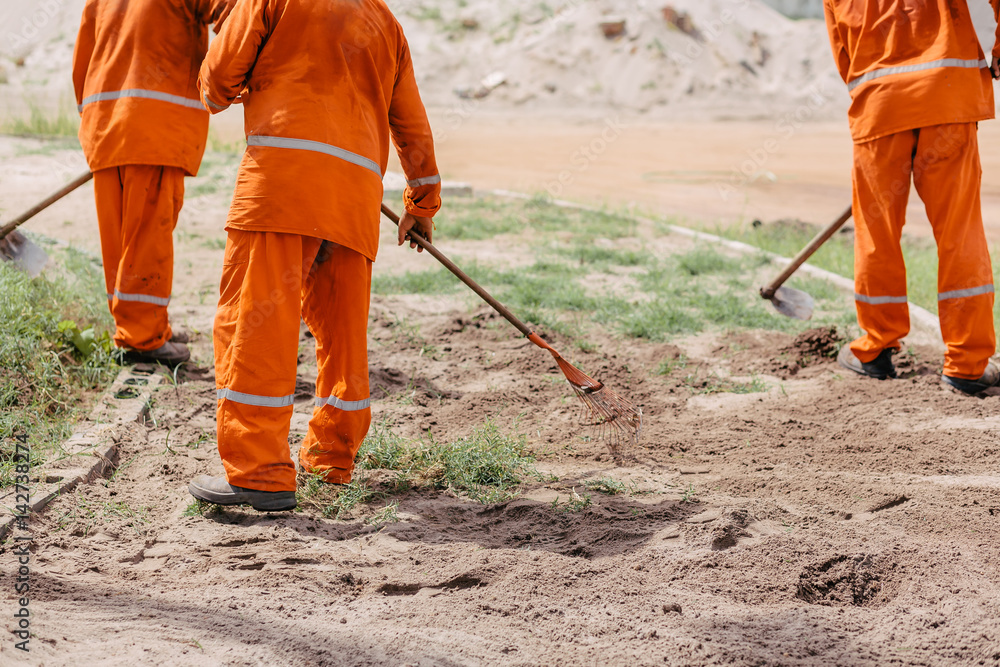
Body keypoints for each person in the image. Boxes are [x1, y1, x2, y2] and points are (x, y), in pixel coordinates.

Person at [187, 0, 442, 512]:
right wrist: (423, 200)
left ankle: (259, 472)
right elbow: (411, 123)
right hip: (353, 201)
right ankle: (331, 458)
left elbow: (216, 83)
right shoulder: (386, 23)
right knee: (342, 336)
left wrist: (235, 85)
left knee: (255, 327)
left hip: (280, 189)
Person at [824, 0, 1000, 394]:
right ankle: (967, 365)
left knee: (876, 233)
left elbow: (842, 47)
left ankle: (875, 350)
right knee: (960, 231)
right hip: (947, 98)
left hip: (879, 107)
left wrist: (878, 93)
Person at [73, 0, 235, 366]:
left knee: (120, 241)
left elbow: (83, 59)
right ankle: (142, 338)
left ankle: (140, 327)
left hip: (103, 126)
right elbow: (233, 13)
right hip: (152, 126)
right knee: (146, 236)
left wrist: (95, 117)